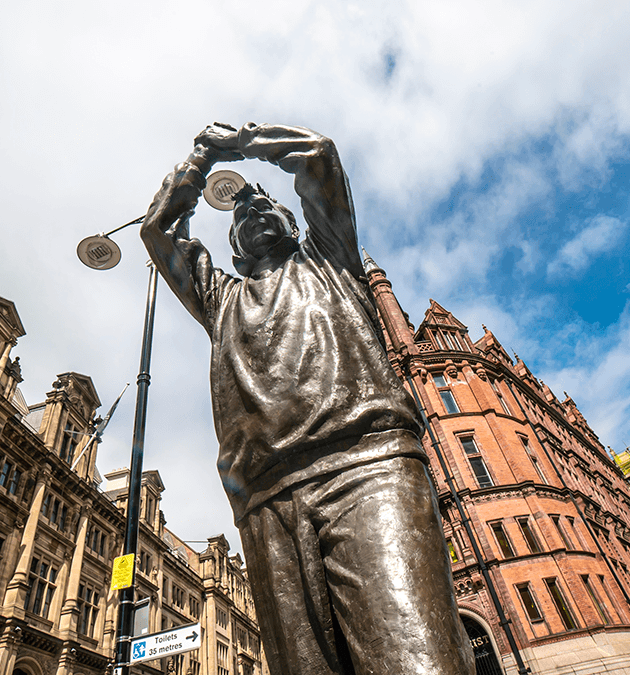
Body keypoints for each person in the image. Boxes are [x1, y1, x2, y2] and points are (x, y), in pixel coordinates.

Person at [141, 122, 473, 675]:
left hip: (366, 468)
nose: (252, 211)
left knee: (415, 656)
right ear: (235, 252)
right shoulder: (220, 299)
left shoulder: (329, 260)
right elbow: (158, 232)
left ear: (295, 225)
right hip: (266, 496)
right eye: (240, 216)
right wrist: (197, 167)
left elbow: (318, 156)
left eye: (266, 206)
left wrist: (243, 142)